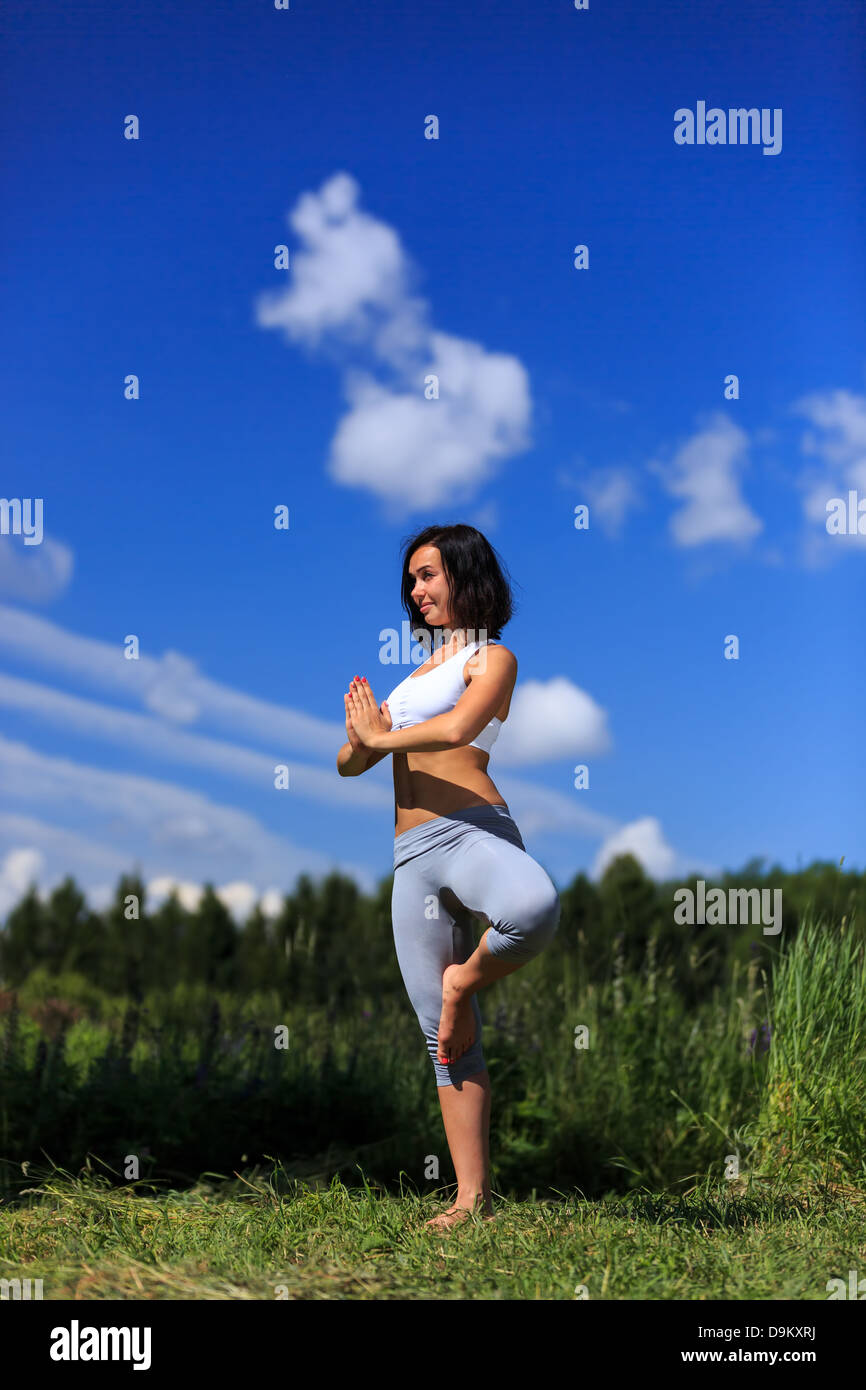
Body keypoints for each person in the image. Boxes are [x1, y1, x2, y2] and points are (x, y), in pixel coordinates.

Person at [336, 523, 561, 1229]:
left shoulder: (491, 660)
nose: (416, 590)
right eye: (411, 580)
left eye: (429, 574)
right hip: (411, 859)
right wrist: (361, 737)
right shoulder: (410, 681)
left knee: (533, 905)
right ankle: (471, 1199)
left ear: (466, 576)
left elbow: (461, 729)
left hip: (471, 831)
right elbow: (350, 762)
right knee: (443, 1038)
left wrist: (381, 736)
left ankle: (465, 979)